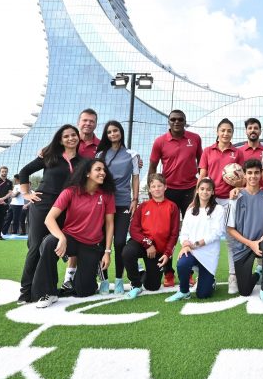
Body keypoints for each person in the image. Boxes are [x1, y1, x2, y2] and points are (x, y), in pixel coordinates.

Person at [32, 159, 116, 308]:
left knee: (84, 291)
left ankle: (82, 278)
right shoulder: (70, 192)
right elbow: (49, 219)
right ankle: (48, 292)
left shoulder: (107, 195)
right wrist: (61, 237)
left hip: (91, 244)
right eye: (98, 169)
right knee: (49, 242)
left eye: (104, 170)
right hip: (70, 239)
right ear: (87, 173)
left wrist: (107, 252)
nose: (103, 172)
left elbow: (110, 224)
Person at [16, 125, 83, 305]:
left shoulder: (82, 161)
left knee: (52, 248)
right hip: (43, 204)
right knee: (35, 246)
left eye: (73, 135)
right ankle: (26, 291)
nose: (71, 138)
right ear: (60, 140)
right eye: (66, 136)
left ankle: (49, 289)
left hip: (65, 208)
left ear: (78, 137)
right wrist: (26, 193)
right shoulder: (50, 156)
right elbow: (24, 172)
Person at [74, 120, 141, 295]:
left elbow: (135, 177)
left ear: (121, 132)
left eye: (115, 131)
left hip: (123, 202)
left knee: (119, 242)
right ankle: (103, 280)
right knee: (102, 241)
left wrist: (135, 199)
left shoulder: (132, 154)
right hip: (103, 202)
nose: (112, 134)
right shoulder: (101, 154)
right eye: (109, 132)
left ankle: (119, 279)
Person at [148, 109, 202, 287]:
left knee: (191, 232)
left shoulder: (195, 139)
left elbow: (202, 165)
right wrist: (151, 190)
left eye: (180, 119)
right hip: (168, 191)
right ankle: (168, 272)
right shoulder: (160, 141)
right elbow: (153, 167)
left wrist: (200, 186)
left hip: (190, 191)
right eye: (173, 119)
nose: (177, 122)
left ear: (185, 121)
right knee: (166, 232)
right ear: (169, 122)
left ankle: (188, 271)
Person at [226, 159, 263, 305]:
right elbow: (230, 229)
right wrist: (251, 244)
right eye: (249, 173)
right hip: (242, 246)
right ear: (244, 175)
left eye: (256, 173)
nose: (253, 176)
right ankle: (258, 273)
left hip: (260, 243)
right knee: (245, 291)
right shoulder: (235, 198)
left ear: (261, 174)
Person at [198, 118, 241, 291]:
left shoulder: (237, 153)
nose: (225, 133)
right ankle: (207, 276)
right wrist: (196, 198)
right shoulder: (208, 151)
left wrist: (237, 185)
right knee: (207, 238)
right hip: (211, 200)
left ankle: (233, 277)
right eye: (223, 130)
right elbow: (202, 176)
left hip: (229, 201)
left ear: (232, 133)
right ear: (217, 132)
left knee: (231, 239)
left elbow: (242, 179)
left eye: (229, 131)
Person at [166, 178, 227, 302]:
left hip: (208, 254)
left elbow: (217, 232)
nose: (205, 192)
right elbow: (184, 233)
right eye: (202, 189)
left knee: (203, 294)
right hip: (192, 251)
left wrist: (197, 244)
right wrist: (185, 244)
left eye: (208, 189)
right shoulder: (190, 211)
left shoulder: (218, 210)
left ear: (213, 192)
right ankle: (184, 291)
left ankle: (210, 281)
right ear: (197, 191)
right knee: (182, 263)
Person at [123, 173, 181, 299]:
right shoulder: (143, 206)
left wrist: (167, 253)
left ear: (165, 187)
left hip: (158, 250)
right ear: (149, 189)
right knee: (128, 252)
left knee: (152, 286)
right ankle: (136, 284)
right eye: (153, 186)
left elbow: (174, 234)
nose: (156, 189)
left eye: (159, 186)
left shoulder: (172, 207)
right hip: (142, 243)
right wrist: (147, 244)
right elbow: (134, 229)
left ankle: (142, 274)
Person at [237, 117, 263, 184]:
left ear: (260, 131)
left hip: (261, 189)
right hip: (243, 189)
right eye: (250, 128)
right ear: (246, 131)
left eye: (256, 128)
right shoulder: (239, 151)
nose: (253, 130)